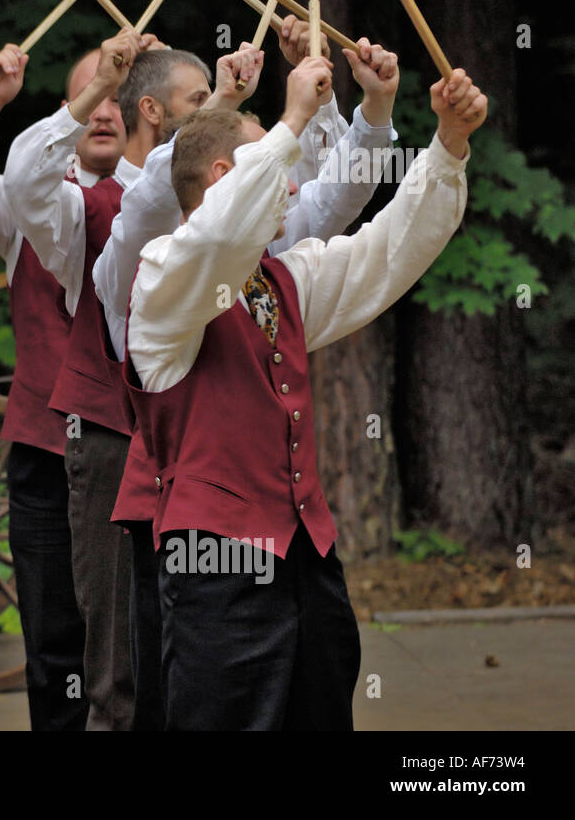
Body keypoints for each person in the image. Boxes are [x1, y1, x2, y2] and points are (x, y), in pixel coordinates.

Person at [8, 26, 399, 729]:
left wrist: (370, 114)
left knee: (256, 679)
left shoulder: (257, 231)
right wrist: (253, 116)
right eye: (197, 102)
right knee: (124, 678)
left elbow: (326, 204)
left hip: (231, 491)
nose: (214, 107)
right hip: (119, 450)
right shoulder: (135, 218)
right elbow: (185, 214)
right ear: (158, 116)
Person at [125, 56, 485, 729]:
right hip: (217, 570)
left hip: (306, 562)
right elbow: (216, 238)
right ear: (226, 178)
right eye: (274, 161)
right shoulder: (162, 282)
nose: (293, 182)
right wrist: (291, 117)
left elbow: (387, 251)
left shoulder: (285, 280)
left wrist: (449, 140)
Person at [0, 34, 156, 729]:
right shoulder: (29, 204)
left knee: (132, 641)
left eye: (119, 95)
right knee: (52, 641)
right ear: (67, 110)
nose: (104, 110)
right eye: (91, 95)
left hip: (131, 455)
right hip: (44, 448)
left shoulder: (161, 206)